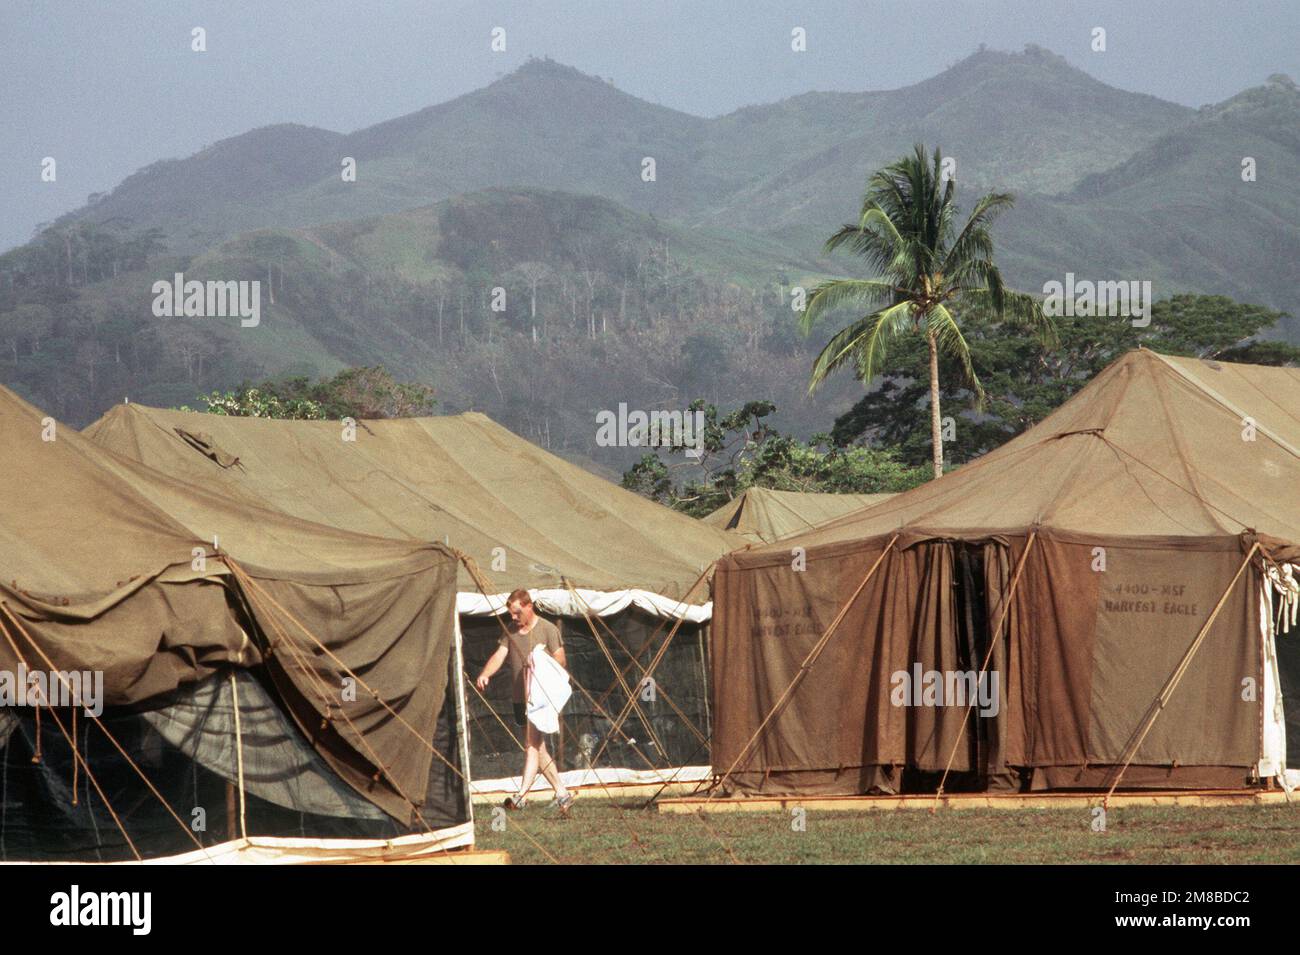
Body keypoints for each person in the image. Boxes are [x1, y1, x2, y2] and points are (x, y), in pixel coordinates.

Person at [475, 589, 574, 813]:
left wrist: (539, 662)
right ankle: (562, 793)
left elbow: (561, 661)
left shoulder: (548, 629)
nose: (514, 618)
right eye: (511, 613)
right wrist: (485, 674)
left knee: (531, 745)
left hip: (540, 699)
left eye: (517, 613)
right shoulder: (511, 631)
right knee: (537, 747)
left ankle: (521, 796)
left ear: (529, 606)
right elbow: (499, 655)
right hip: (520, 698)